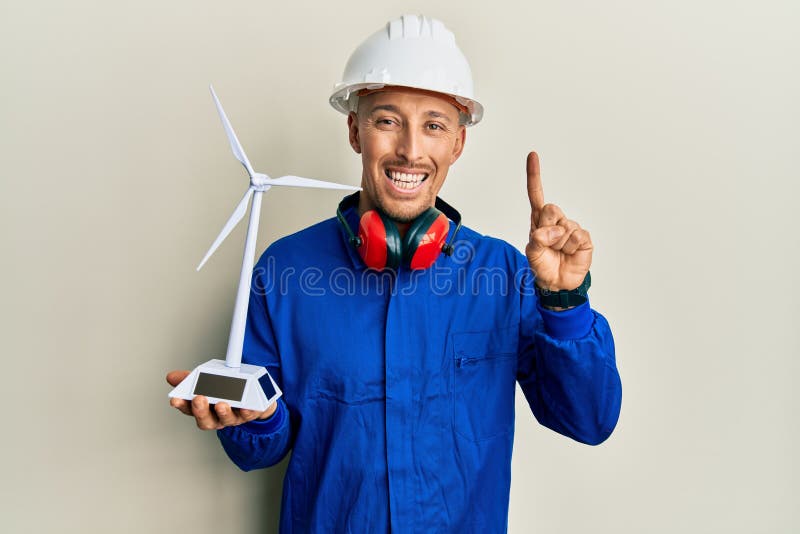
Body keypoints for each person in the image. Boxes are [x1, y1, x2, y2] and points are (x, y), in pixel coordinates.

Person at [167, 14, 622, 533]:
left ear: (458, 143)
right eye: (387, 120)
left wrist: (564, 304)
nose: (410, 149)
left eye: (434, 125)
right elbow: (258, 451)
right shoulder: (285, 271)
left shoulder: (505, 275)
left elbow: (589, 420)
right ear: (355, 130)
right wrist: (253, 418)